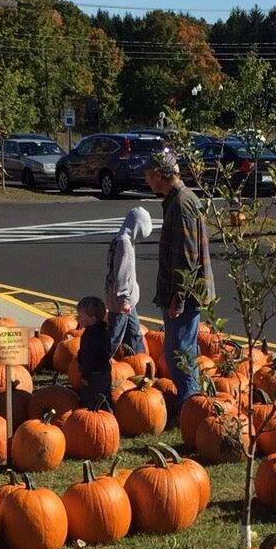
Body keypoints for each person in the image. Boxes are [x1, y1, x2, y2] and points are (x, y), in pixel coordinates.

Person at [148, 148, 212, 402]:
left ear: (159, 175)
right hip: (180, 292)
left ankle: (192, 404)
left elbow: (188, 256)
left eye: (148, 174)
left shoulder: (182, 204)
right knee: (182, 348)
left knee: (179, 351)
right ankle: (193, 402)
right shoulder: (177, 200)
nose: (146, 180)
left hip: (185, 294)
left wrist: (178, 297)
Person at [105, 204, 152, 356]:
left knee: (134, 333)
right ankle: (99, 365)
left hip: (126, 299)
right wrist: (123, 299)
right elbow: (121, 272)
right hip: (121, 301)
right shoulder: (124, 244)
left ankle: (141, 363)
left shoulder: (121, 239)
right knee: (114, 337)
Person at [73, 295, 113, 410]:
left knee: (89, 400)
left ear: (92, 318)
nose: (78, 318)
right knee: (105, 398)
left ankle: (90, 421)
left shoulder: (90, 335)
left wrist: (85, 375)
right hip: (105, 373)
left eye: (80, 316)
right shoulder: (104, 331)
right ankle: (110, 419)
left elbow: (88, 357)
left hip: (93, 376)